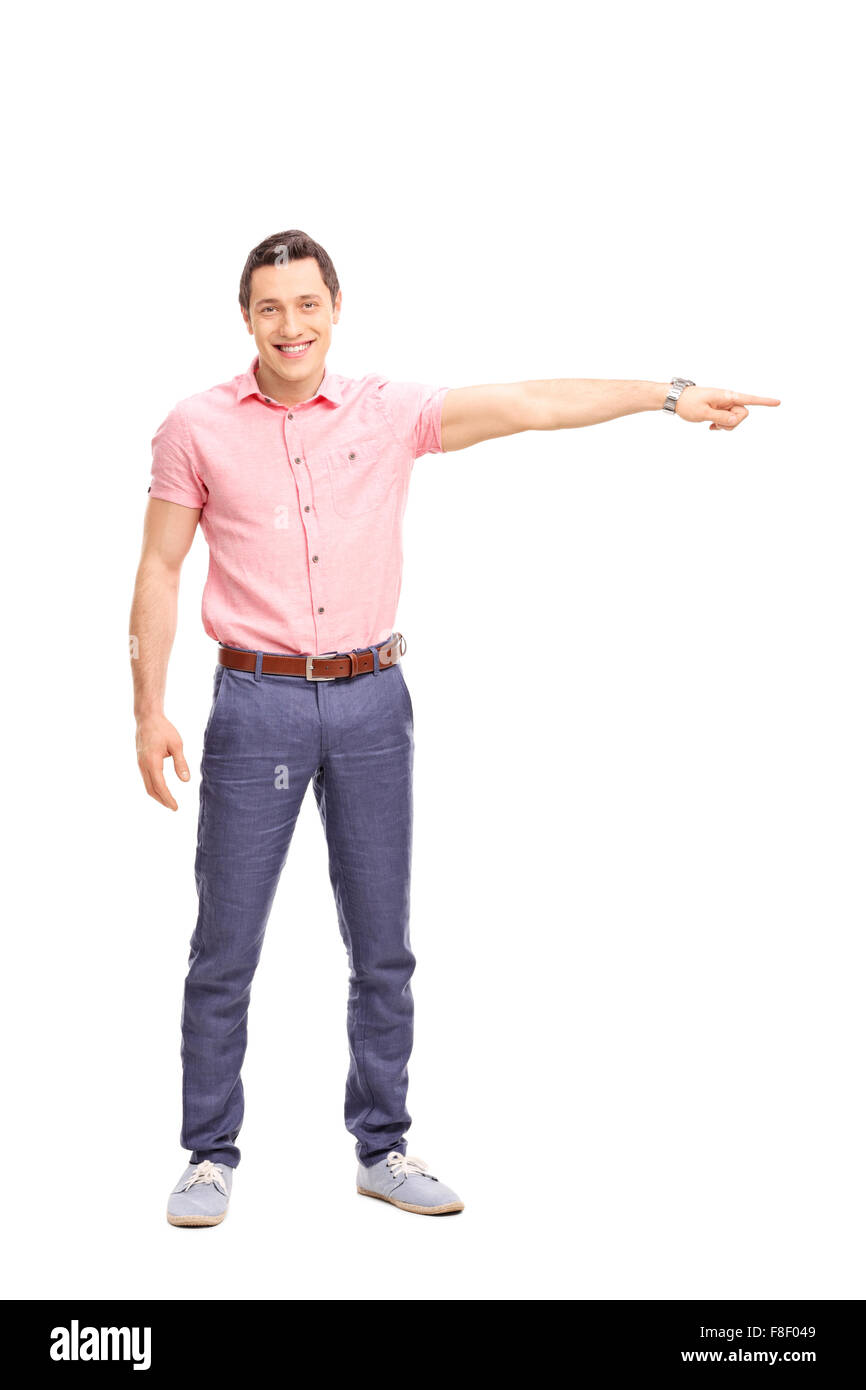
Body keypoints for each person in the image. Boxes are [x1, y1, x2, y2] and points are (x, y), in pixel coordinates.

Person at [129, 228, 780, 1227]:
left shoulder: (389, 412)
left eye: (307, 304)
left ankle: (382, 1146)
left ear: (335, 308)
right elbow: (162, 567)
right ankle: (207, 1154)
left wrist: (665, 393)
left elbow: (528, 404)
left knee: (383, 944)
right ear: (246, 317)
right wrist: (147, 711)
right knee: (225, 946)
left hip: (371, 701)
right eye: (270, 307)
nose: (290, 325)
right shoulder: (195, 427)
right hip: (253, 703)